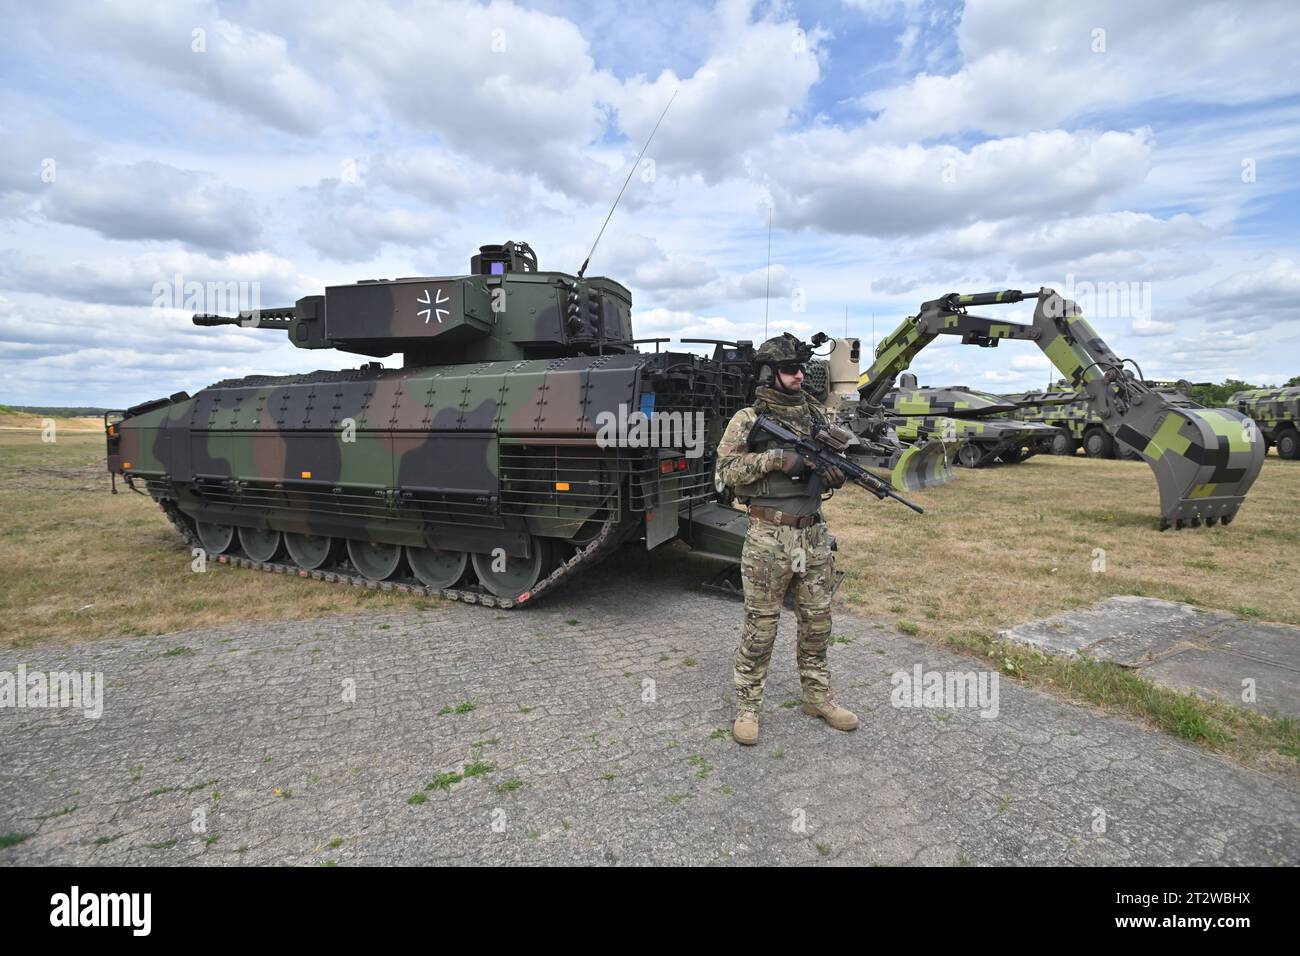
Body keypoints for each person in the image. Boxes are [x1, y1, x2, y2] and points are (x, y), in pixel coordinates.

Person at [715, 333, 860, 745]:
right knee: (761, 629)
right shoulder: (747, 419)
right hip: (768, 536)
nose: (799, 376)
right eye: (790, 369)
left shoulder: (818, 416)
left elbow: (840, 462)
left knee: (817, 625)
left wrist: (836, 474)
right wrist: (776, 459)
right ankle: (748, 705)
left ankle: (819, 698)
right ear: (769, 373)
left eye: (801, 368)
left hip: (813, 535)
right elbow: (724, 472)